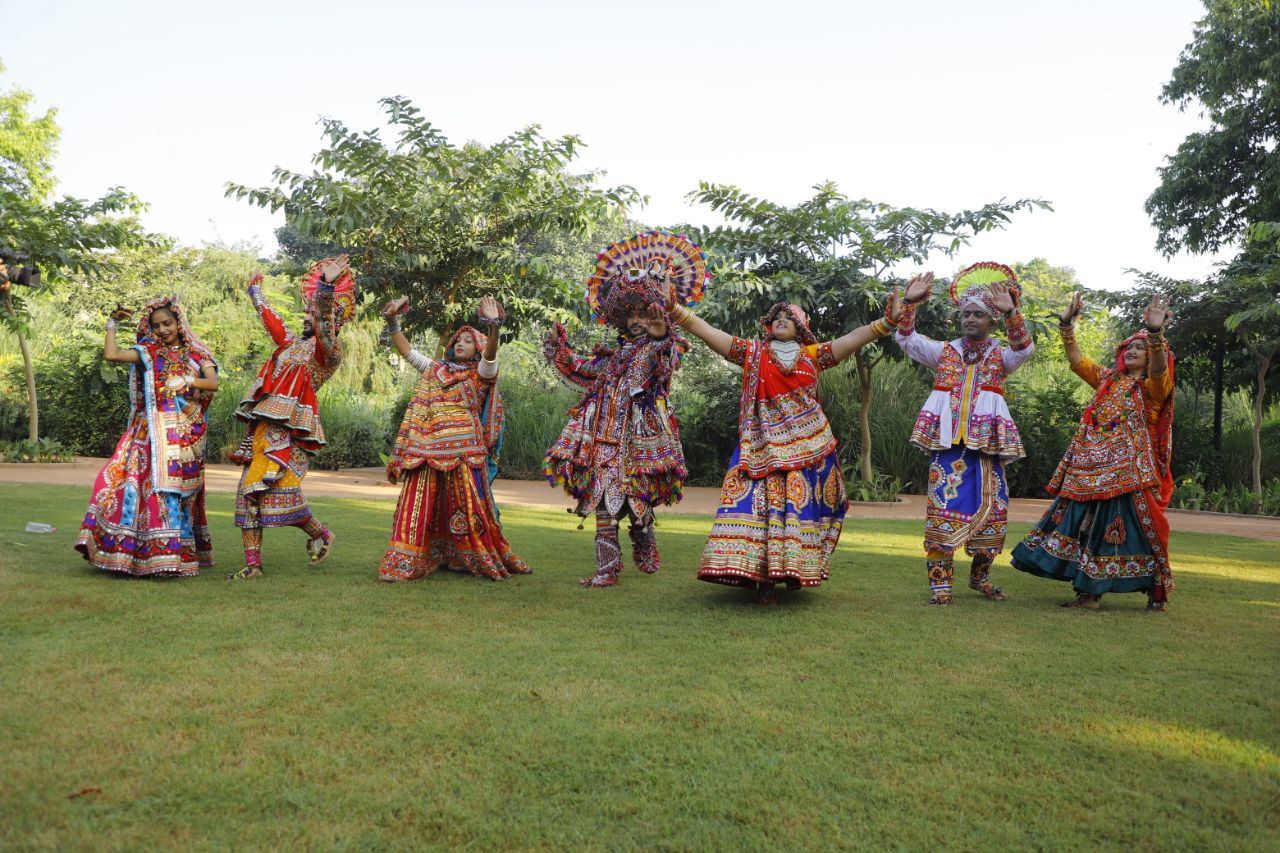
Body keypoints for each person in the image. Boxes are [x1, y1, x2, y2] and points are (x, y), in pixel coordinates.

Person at [672, 290, 903, 602]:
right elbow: (708, 331)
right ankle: (759, 576)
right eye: (776, 318)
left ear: (801, 327)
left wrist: (887, 322)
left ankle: (790, 570)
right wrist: (675, 310)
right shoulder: (752, 353)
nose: (781, 321)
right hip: (761, 447)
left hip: (807, 448)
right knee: (755, 507)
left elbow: (852, 339)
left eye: (788, 318)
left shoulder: (814, 355)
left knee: (796, 509)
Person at [544, 230, 701, 587]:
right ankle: (607, 570)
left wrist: (661, 335)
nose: (636, 320)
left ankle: (644, 537)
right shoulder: (613, 357)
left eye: (643, 313)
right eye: (630, 314)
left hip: (639, 441)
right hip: (601, 439)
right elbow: (581, 370)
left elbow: (667, 360)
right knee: (602, 499)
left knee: (637, 503)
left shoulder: (659, 349)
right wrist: (560, 348)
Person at [1010, 292, 1175, 611]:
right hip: (1088, 473)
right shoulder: (1107, 379)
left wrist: (1155, 333)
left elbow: (1158, 369)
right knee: (1086, 528)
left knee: (1141, 531)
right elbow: (1077, 360)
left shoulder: (1153, 389)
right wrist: (1066, 325)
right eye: (1129, 347)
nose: (1132, 351)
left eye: (1140, 348)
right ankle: (1089, 594)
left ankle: (1155, 591)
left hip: (1129, 476)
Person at [895, 263, 1035, 605]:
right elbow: (907, 339)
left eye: (979, 314)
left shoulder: (1001, 355)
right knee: (943, 509)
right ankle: (940, 585)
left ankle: (979, 578)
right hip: (948, 448)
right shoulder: (944, 351)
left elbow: (1024, 350)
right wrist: (909, 304)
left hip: (986, 450)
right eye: (966, 314)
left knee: (994, 513)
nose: (970, 319)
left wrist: (1012, 314)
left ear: (992, 320)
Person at [377, 295, 530, 581]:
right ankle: (404, 561)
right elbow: (408, 352)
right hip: (425, 449)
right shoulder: (435, 369)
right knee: (417, 505)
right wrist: (392, 321)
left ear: (477, 348)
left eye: (468, 341)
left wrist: (493, 326)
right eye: (458, 340)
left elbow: (491, 356)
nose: (460, 343)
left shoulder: (480, 374)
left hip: (464, 452)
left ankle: (464, 555)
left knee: (468, 506)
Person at [227, 255, 356, 580]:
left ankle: (321, 533)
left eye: (314, 311)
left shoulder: (329, 352)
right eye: (308, 309)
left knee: (282, 496)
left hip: (290, 431)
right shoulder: (290, 345)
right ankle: (254, 566)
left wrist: (326, 288)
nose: (308, 314)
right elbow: (273, 322)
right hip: (262, 427)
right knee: (248, 496)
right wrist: (255, 292)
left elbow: (325, 327)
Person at [74, 296, 219, 577]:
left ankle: (171, 558)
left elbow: (212, 383)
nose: (163, 330)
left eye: (167, 323)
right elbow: (112, 355)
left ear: (178, 323)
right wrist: (112, 323)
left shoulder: (198, 354)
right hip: (147, 431)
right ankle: (132, 553)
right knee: (123, 481)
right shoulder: (148, 352)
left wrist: (188, 380)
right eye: (156, 326)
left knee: (174, 493)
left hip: (182, 435)